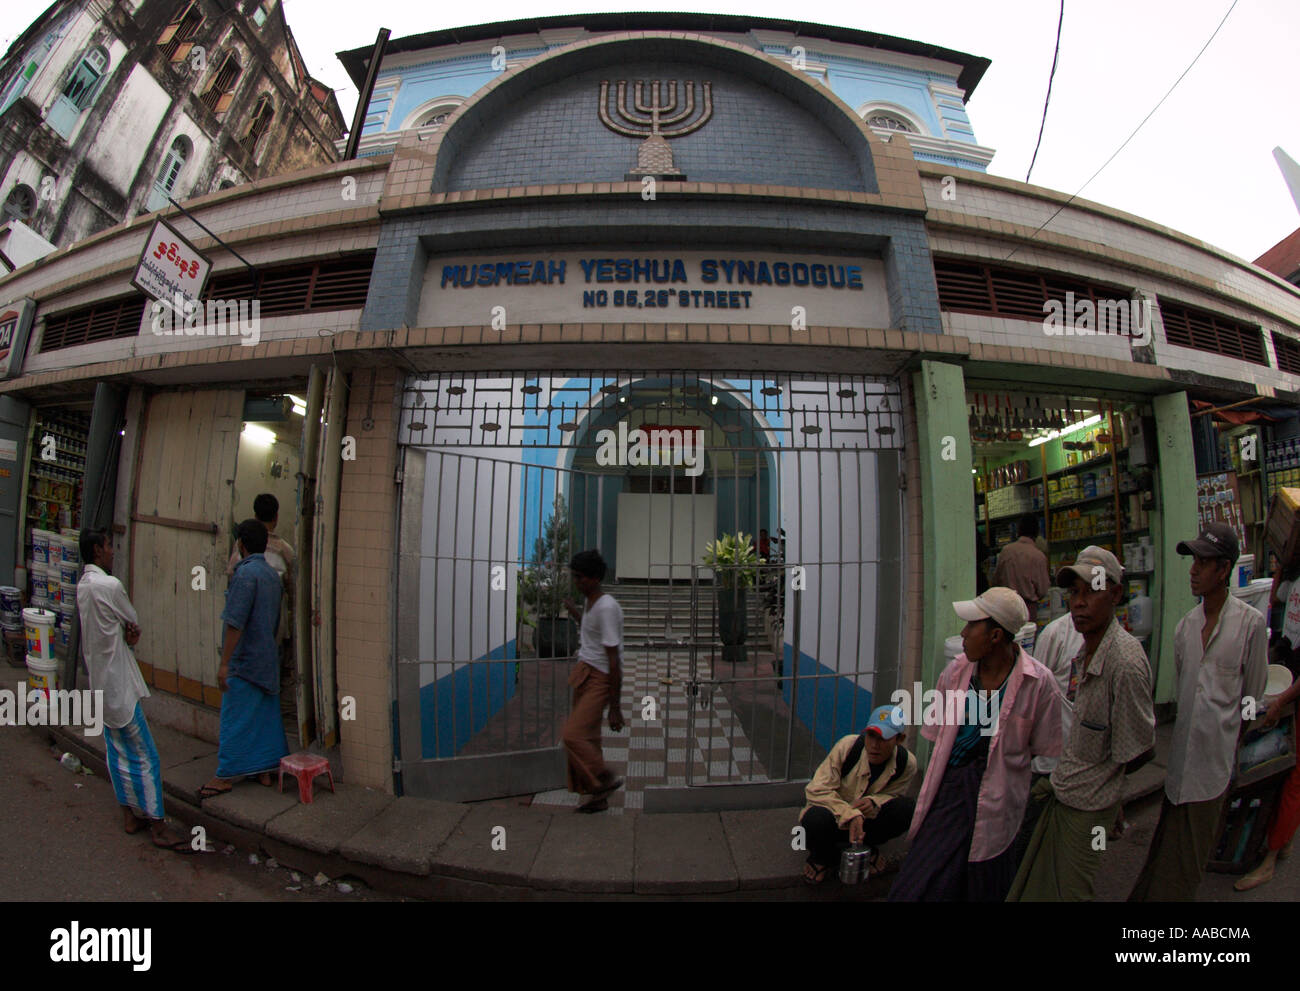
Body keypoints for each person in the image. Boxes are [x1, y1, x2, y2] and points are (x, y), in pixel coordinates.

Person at [889, 588, 1061, 902]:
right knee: (920, 884)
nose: (963, 633)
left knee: (985, 885)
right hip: (951, 792)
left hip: (1001, 799)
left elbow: (1044, 747)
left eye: (972, 626)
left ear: (996, 636)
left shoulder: (1039, 683)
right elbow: (937, 734)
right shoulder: (955, 673)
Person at [1008, 546, 1155, 901]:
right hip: (1062, 790)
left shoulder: (1125, 663)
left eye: (1092, 591)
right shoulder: (1083, 650)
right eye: (1074, 592)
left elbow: (1139, 749)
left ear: (1116, 594)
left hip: (1090, 813)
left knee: (1074, 889)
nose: (1079, 602)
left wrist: (1106, 788)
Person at [1129, 522, 1266, 901]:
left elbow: (1252, 697)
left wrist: (1236, 746)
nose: (1193, 570)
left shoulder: (1250, 624)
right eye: (1193, 561)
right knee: (1165, 855)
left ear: (1223, 569)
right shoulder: (1184, 628)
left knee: (1186, 867)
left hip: (1214, 768)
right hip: (1179, 768)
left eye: (1202, 563)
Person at [77, 529, 190, 852]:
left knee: (117, 753)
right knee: (145, 756)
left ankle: (128, 815)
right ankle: (158, 825)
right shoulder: (109, 585)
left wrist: (126, 632)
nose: (113, 551)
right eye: (109, 546)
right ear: (98, 550)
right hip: (119, 686)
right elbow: (132, 618)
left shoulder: (84, 586)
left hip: (101, 683)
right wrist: (130, 631)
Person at [200, 519, 290, 798]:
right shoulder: (271, 577)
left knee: (234, 717)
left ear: (240, 544)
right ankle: (264, 769)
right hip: (266, 657)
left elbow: (235, 622)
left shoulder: (245, 575)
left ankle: (224, 775)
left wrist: (225, 663)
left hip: (245, 660)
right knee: (265, 717)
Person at [799, 704, 917, 884]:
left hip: (867, 824)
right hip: (834, 818)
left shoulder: (907, 763)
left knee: (906, 810)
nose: (875, 745)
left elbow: (893, 795)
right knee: (813, 820)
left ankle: (862, 846)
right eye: (871, 736)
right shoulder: (848, 747)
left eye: (884, 738)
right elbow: (816, 790)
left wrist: (874, 802)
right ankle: (825, 857)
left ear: (899, 739)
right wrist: (851, 814)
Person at [1011, 608, 1082, 865]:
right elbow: (1033, 693)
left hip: (1085, 767)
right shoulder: (1057, 634)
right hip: (1047, 764)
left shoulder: (1118, 648)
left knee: (1070, 842)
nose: (1082, 602)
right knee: (1027, 834)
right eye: (1076, 592)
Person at [560, 549, 625, 812]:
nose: (577, 582)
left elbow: (614, 660)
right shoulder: (590, 602)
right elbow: (591, 631)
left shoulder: (607, 607)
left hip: (600, 677)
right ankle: (598, 798)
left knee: (572, 735)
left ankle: (603, 777)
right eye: (575, 577)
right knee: (589, 737)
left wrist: (615, 706)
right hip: (584, 672)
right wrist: (575, 612)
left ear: (596, 578)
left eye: (582, 578)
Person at [994, 515, 1050, 621]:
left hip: (1006, 607)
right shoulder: (1038, 556)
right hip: (1027, 609)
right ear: (1037, 532)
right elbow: (1042, 590)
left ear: (1018, 530)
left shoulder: (1006, 551)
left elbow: (996, 581)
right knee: (1027, 636)